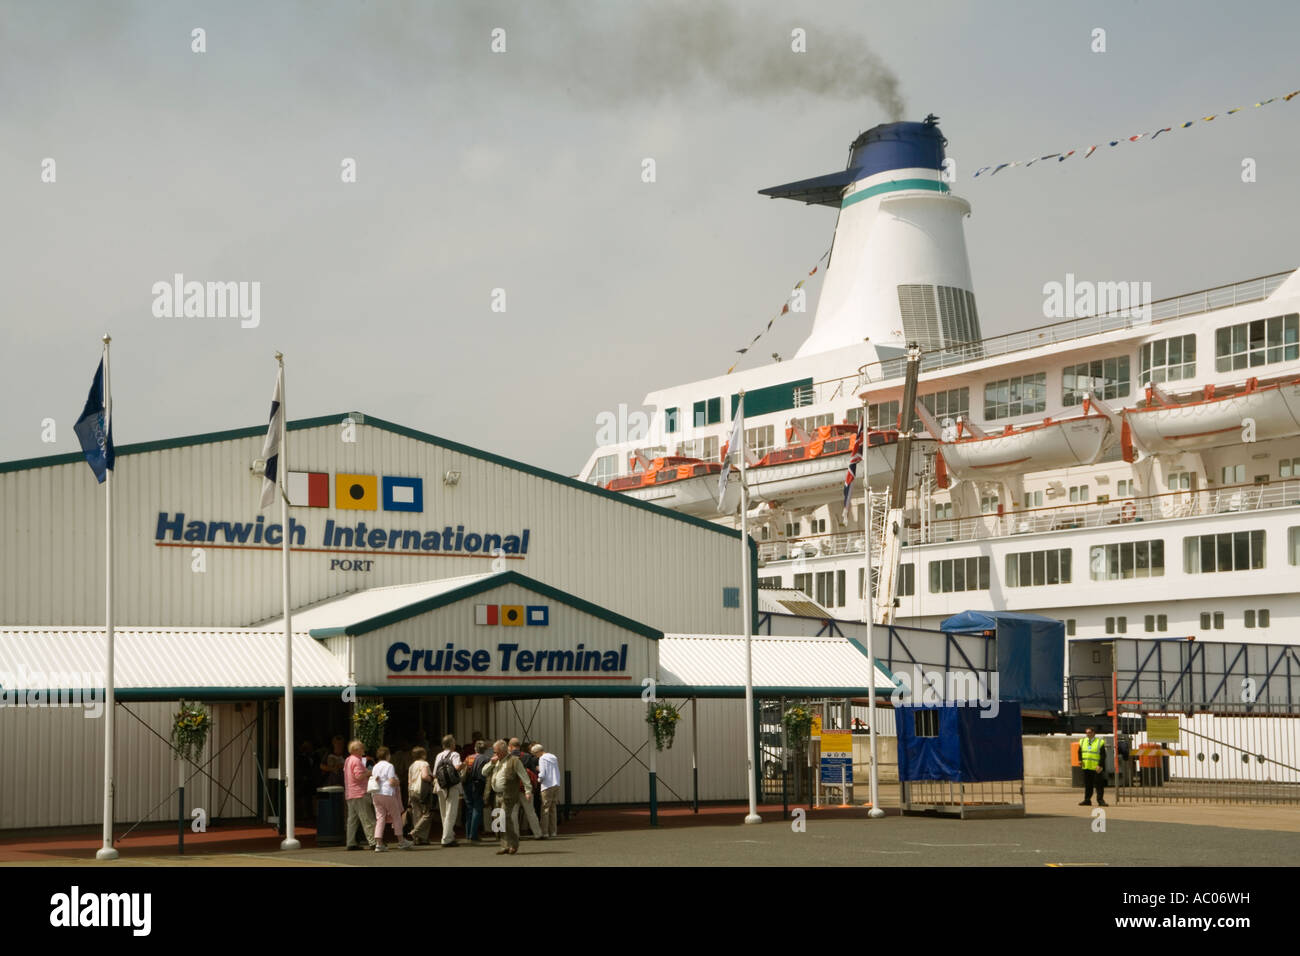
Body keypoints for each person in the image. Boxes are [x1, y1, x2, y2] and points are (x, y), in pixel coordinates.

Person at [483, 739, 532, 855]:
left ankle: (514, 844)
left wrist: (528, 790)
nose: (495, 754)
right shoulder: (496, 761)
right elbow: (483, 772)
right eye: (494, 752)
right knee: (497, 821)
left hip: (508, 795)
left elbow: (524, 776)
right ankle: (504, 846)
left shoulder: (514, 761)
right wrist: (491, 762)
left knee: (504, 818)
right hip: (496, 795)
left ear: (504, 751)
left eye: (496, 752)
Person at [371, 746, 413, 851]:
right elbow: (391, 781)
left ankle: (379, 843)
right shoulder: (389, 766)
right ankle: (401, 841)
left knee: (380, 818)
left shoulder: (375, 766)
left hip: (376, 794)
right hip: (387, 793)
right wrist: (398, 782)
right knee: (396, 817)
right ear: (387, 755)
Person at [343, 739, 376, 851]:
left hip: (350, 793)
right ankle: (374, 842)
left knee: (352, 820)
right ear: (356, 750)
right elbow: (358, 776)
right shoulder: (356, 761)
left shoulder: (348, 760)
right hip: (359, 793)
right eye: (362, 747)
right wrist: (369, 772)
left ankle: (350, 842)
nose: (363, 749)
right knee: (367, 818)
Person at [509, 738, 544, 839]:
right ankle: (538, 834)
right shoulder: (527, 756)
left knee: (513, 813)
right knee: (531, 812)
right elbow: (533, 772)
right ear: (519, 746)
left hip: (513, 789)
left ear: (510, 746)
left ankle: (516, 835)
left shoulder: (508, 757)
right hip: (526, 789)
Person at [433, 734, 463, 847]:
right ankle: (446, 839)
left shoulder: (439, 755)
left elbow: (435, 772)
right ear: (451, 744)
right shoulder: (455, 754)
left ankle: (449, 835)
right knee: (451, 811)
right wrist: (463, 765)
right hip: (451, 786)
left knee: (444, 812)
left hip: (440, 785)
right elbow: (456, 767)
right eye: (454, 742)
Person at [407, 746, 435, 845]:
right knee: (427, 813)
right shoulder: (424, 763)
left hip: (412, 791)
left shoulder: (411, 766)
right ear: (423, 755)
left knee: (416, 814)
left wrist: (409, 797)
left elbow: (409, 781)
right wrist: (431, 778)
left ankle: (418, 839)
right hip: (422, 791)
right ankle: (416, 833)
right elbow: (424, 776)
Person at [463, 739, 490, 842]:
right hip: (478, 785)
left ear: (475, 748)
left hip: (467, 785)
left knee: (469, 808)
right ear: (485, 749)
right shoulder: (486, 759)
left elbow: (463, 769)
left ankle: (468, 833)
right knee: (477, 809)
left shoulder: (468, 758)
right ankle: (473, 834)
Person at [534, 743, 561, 838]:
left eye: (535, 754)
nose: (535, 756)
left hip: (547, 785)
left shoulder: (542, 758)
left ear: (538, 752)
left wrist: (538, 779)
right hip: (556, 784)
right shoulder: (553, 757)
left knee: (545, 809)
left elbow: (543, 773)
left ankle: (544, 832)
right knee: (553, 809)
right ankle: (553, 831)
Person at [1078, 726, 1108, 807]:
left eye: (1089, 732)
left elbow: (1103, 755)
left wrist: (1100, 765)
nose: (1088, 734)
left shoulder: (1099, 742)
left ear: (1093, 733)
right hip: (1086, 766)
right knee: (1088, 785)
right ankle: (1087, 800)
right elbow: (1079, 752)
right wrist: (1080, 760)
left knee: (1099, 785)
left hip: (1096, 768)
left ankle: (1100, 800)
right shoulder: (1082, 741)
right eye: (1087, 733)